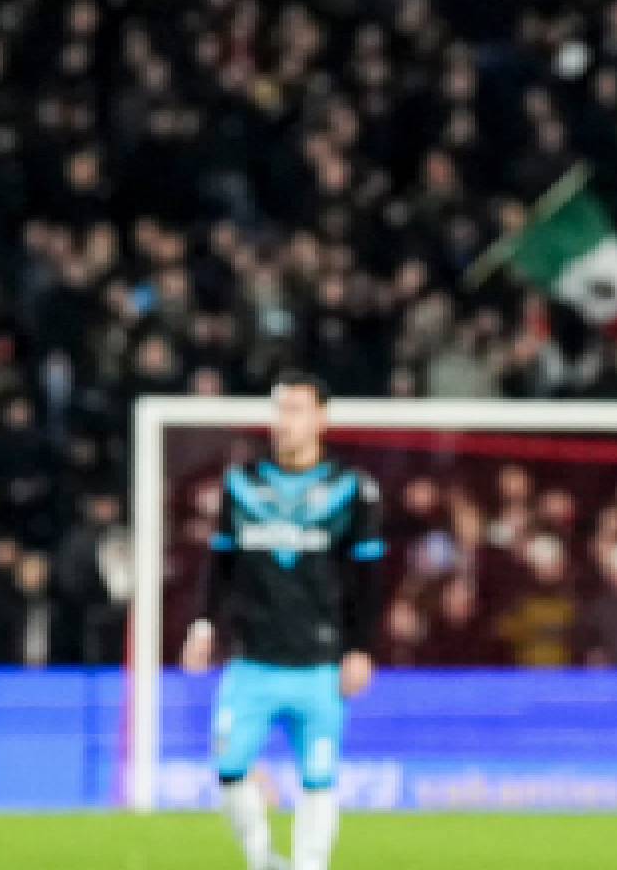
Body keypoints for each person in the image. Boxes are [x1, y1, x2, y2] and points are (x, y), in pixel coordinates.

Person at [182, 373, 384, 870]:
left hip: (319, 663)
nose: (285, 420)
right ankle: (262, 859)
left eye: (297, 409)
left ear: (321, 419)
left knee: (318, 778)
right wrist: (204, 623)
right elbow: (221, 563)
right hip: (252, 661)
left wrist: (360, 647)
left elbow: (368, 577)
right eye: (280, 409)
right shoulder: (244, 485)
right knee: (229, 768)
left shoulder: (349, 490)